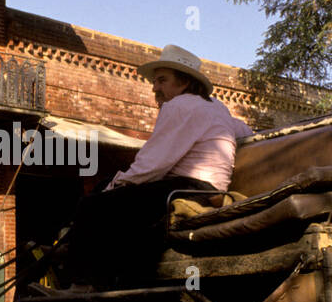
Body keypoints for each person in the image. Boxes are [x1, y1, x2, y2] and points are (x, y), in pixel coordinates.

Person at [59, 45, 253, 288]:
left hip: (185, 187)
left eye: (162, 80)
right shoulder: (218, 108)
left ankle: (78, 284)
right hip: (208, 190)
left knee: (92, 204)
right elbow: (246, 132)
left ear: (183, 82)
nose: (154, 88)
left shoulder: (179, 106)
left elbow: (152, 165)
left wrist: (115, 185)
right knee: (105, 190)